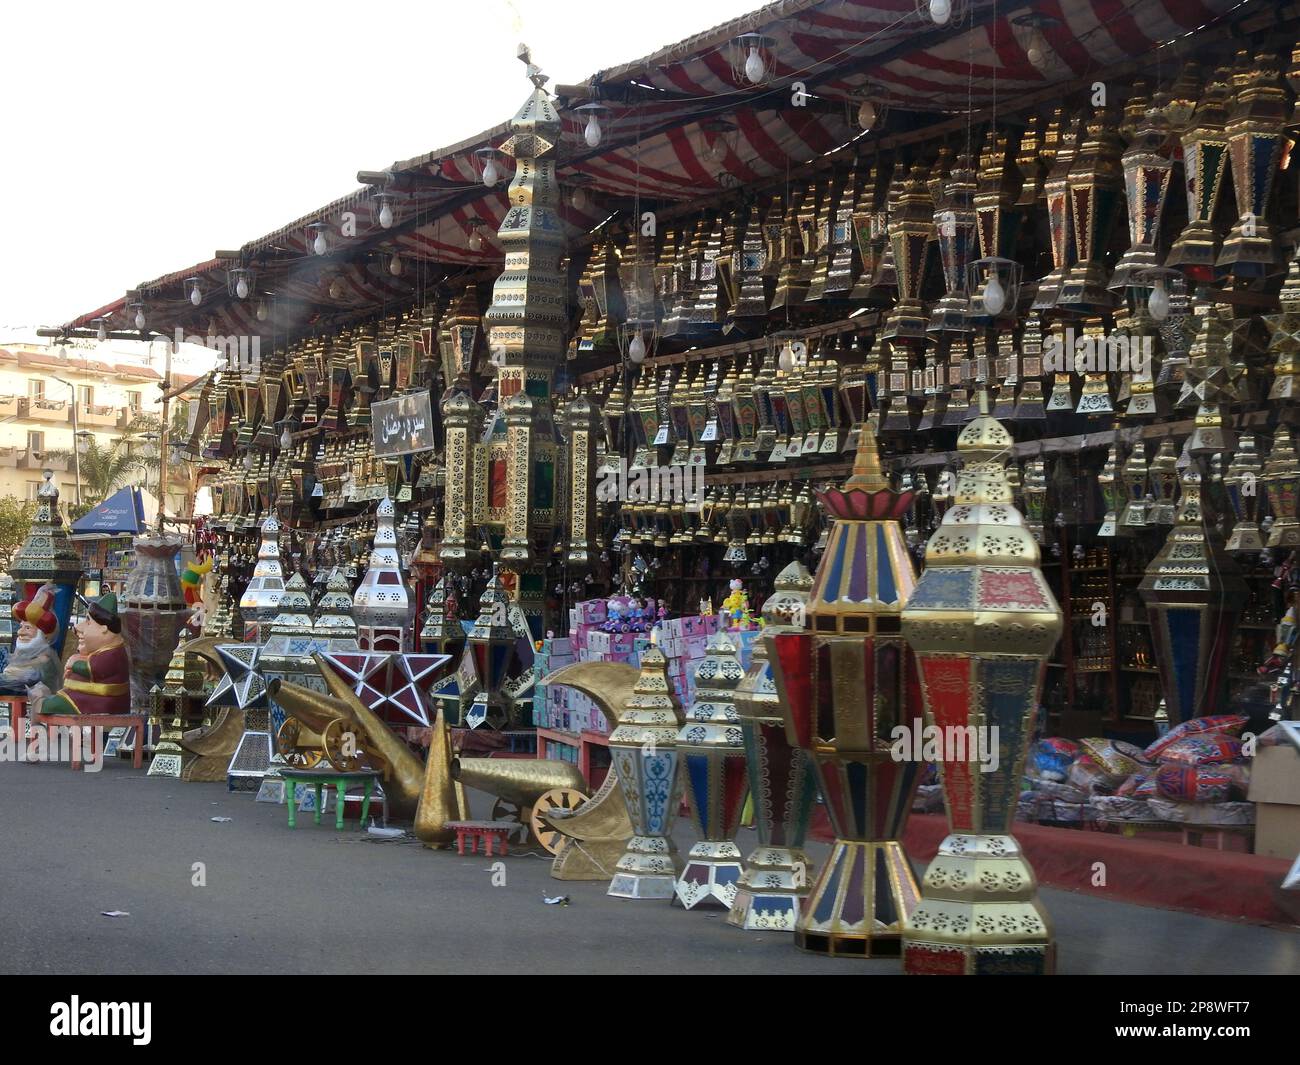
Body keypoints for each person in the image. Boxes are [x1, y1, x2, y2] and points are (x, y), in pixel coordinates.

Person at [40, 593, 131, 716]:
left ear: (104, 629)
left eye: (88, 622)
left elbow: (94, 669)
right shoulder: (104, 650)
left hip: (100, 702)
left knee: (49, 705)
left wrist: (75, 664)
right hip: (88, 697)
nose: (77, 628)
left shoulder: (113, 654)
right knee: (49, 702)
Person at [0, 585, 63, 696]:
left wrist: (13, 670)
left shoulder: (45, 657)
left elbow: (26, 679)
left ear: (42, 634)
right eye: (21, 627)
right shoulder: (25, 654)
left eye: (27, 628)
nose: (20, 632)